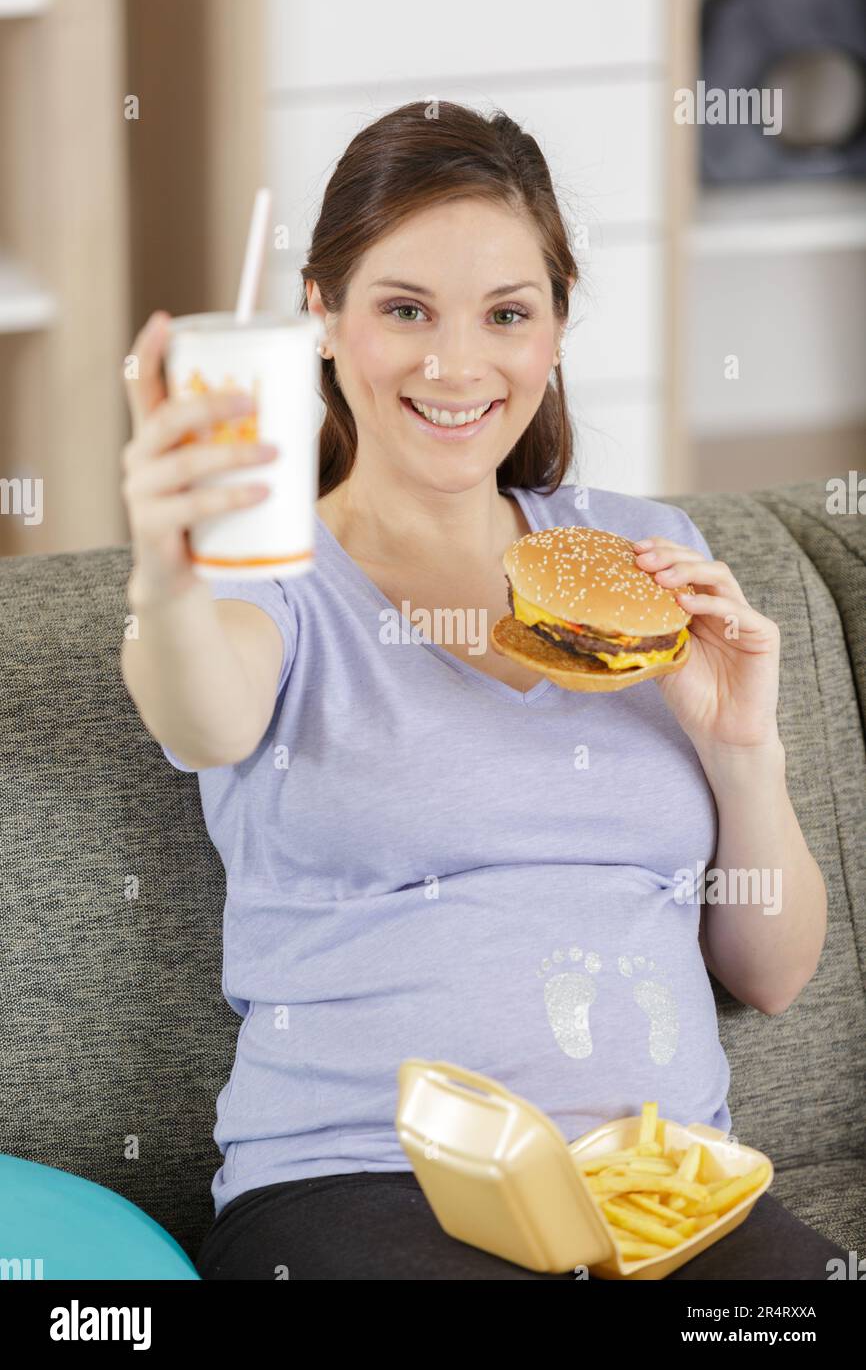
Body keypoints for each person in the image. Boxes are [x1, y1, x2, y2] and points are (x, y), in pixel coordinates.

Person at [121, 101, 838, 1280]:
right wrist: (167, 560)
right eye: (404, 309)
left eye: (505, 313)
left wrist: (740, 746)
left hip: (658, 1191)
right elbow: (200, 709)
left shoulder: (643, 562)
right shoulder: (266, 578)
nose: (455, 365)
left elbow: (770, 972)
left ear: (554, 327)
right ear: (320, 313)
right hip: (360, 1186)